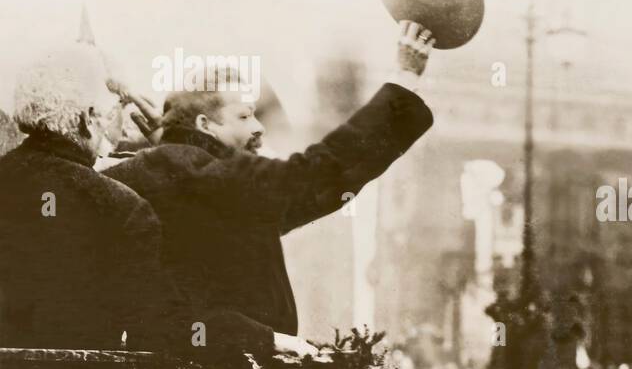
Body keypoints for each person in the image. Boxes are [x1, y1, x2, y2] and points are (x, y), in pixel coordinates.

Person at [105, 22, 436, 342]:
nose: (259, 128)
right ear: (206, 124)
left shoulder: (185, 172)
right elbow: (314, 174)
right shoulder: (193, 169)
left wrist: (169, 140)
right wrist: (403, 84)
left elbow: (323, 184)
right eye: (245, 115)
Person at [0, 44, 269, 354]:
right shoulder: (118, 207)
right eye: (116, 109)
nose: (124, 123)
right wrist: (266, 338)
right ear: (89, 119)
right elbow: (164, 330)